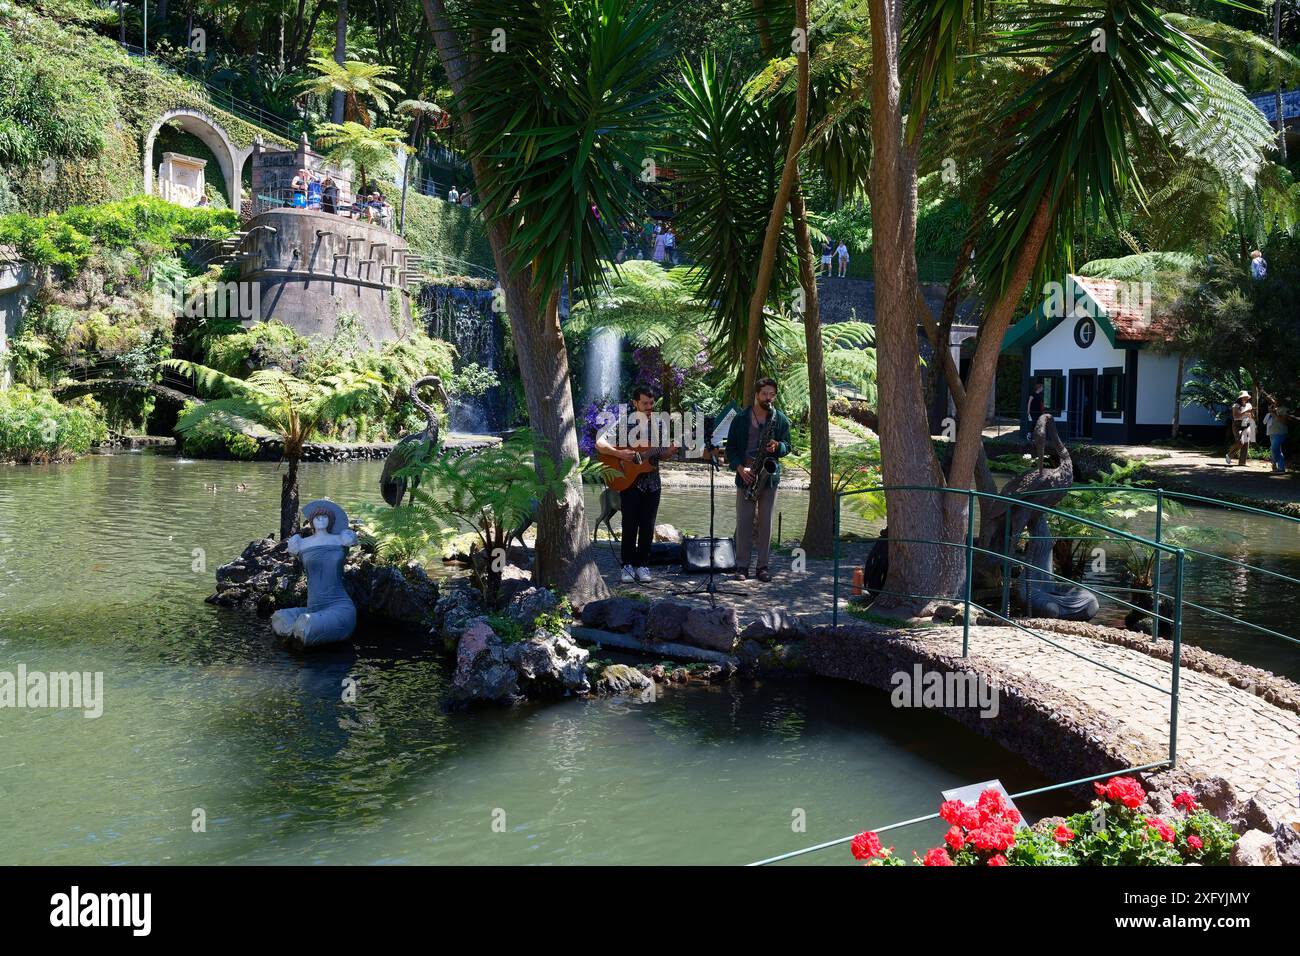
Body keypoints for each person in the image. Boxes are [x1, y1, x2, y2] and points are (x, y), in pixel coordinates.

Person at [596, 387, 678, 584]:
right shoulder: (624, 423)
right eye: (645, 403)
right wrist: (620, 454)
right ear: (635, 403)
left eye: (651, 403)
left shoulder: (660, 424)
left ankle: (643, 565)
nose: (649, 407)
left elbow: (661, 454)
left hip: (652, 482)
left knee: (648, 526)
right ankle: (627, 566)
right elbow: (599, 442)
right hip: (628, 481)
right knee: (629, 525)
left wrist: (672, 450)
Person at [726, 377, 792, 583]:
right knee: (744, 523)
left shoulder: (779, 419)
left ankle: (762, 566)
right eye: (764, 394)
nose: (768, 398)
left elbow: (787, 446)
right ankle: (742, 566)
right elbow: (731, 449)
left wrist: (777, 447)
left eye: (772, 394)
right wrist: (740, 468)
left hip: (769, 478)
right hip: (746, 474)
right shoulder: (741, 419)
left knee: (766, 524)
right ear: (756, 394)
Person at [1226, 390, 1255, 466]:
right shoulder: (1235, 405)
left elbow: (1252, 415)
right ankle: (1229, 455)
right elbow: (1236, 416)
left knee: (1246, 442)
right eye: (1244, 397)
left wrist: (1251, 416)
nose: (1246, 398)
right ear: (1240, 398)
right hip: (1237, 424)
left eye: (1246, 397)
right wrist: (1245, 411)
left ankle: (1242, 462)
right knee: (1240, 442)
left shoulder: (1249, 405)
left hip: (1246, 423)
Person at [1265, 401, 1289, 473]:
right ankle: (1279, 468)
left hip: (1280, 432)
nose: (1274, 402)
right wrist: (1271, 412)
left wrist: (1274, 412)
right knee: (1276, 450)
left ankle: (1278, 466)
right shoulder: (1273, 409)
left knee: (1274, 449)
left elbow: (1284, 421)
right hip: (1272, 433)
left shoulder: (1284, 409)